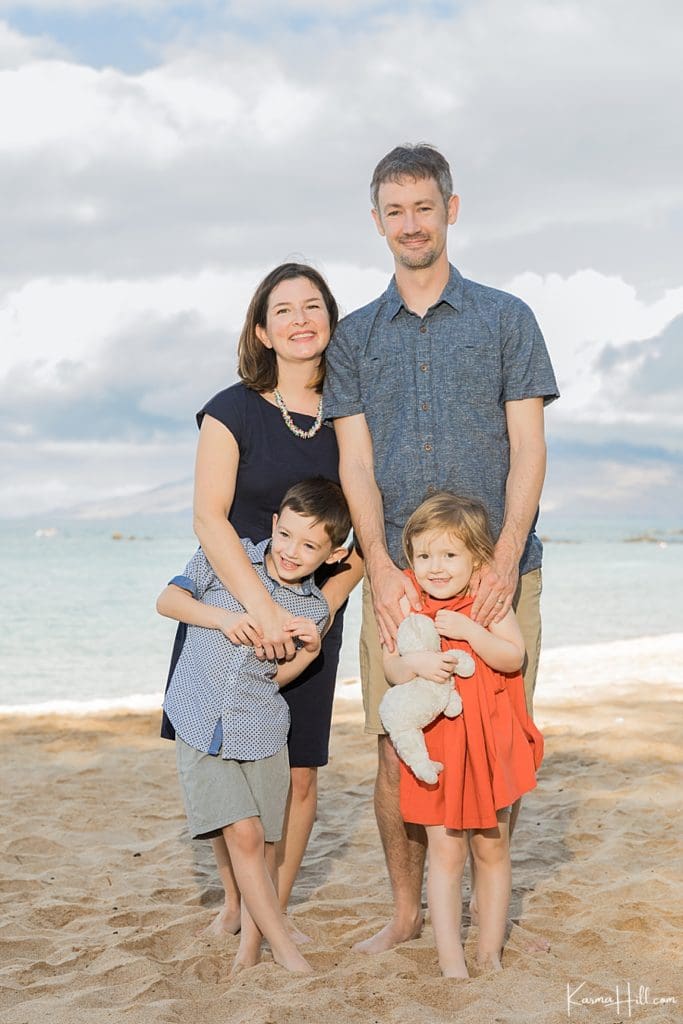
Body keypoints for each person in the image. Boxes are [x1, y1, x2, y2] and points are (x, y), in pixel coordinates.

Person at [323, 143, 559, 953]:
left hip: (501, 575)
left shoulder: (507, 318)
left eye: (423, 206)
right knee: (397, 745)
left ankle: (484, 908)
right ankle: (406, 910)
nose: (410, 223)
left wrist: (502, 560)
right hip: (398, 581)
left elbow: (527, 449)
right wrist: (380, 571)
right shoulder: (352, 339)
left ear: (450, 210)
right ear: (377, 222)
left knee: (497, 743)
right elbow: (354, 462)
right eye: (394, 210)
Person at [161, 262, 363, 939]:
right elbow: (209, 519)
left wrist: (323, 610)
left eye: (313, 306)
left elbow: (367, 538)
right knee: (225, 762)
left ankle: (269, 911)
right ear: (261, 329)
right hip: (233, 613)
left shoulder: (355, 415)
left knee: (297, 773)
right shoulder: (231, 410)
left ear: (330, 322)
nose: (300, 319)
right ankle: (234, 902)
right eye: (284, 310)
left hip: (308, 624)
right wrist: (259, 611)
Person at [158, 479, 352, 973]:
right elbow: (168, 602)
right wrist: (223, 619)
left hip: (263, 728)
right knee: (242, 834)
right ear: (273, 524)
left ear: (331, 556)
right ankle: (284, 947)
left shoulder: (311, 610)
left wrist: (310, 646)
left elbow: (279, 676)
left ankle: (250, 947)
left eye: (310, 546)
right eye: (286, 535)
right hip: (200, 716)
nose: (291, 551)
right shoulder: (228, 558)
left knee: (265, 841)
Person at [383, 492, 543, 976]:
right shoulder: (409, 603)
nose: (435, 567)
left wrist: (470, 631)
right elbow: (391, 668)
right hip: (440, 750)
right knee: (445, 850)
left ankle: (489, 951)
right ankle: (451, 958)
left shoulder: (486, 603)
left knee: (491, 846)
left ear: (476, 559)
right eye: (424, 554)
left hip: (489, 747)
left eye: (449, 555)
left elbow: (514, 657)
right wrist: (416, 663)